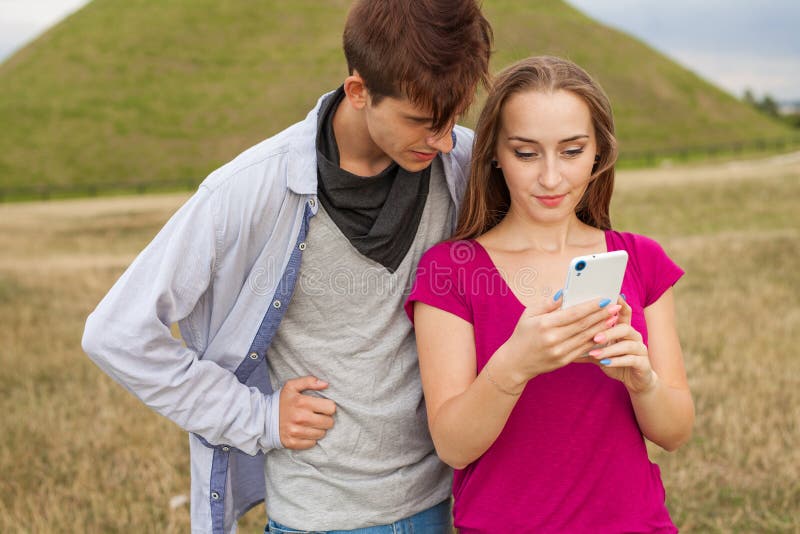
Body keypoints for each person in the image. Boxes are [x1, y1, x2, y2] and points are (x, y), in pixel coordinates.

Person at [81, 2, 492, 533]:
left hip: (443, 506)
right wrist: (254, 416)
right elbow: (114, 333)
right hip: (318, 517)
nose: (442, 140)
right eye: (420, 122)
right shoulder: (250, 189)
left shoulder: (462, 163)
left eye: (453, 118)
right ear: (359, 91)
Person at [406, 56, 694, 533]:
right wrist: (516, 363)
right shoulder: (449, 271)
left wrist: (642, 380)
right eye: (525, 153)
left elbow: (676, 432)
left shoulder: (641, 260)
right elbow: (454, 446)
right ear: (494, 153)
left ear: (598, 151)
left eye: (571, 151)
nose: (551, 178)